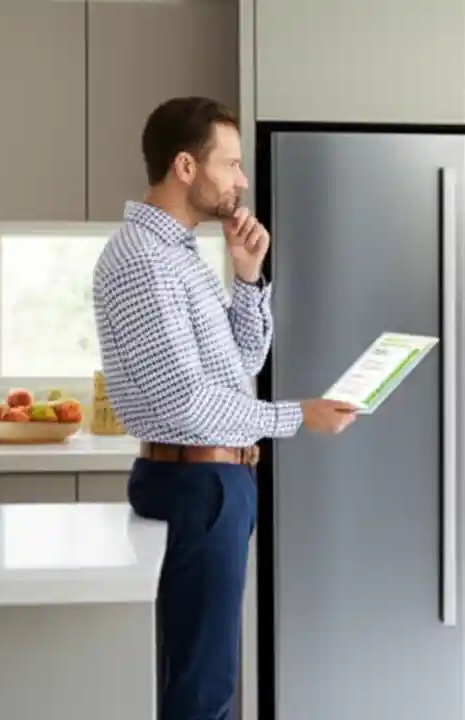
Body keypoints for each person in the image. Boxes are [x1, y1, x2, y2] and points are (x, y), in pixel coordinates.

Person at [92, 96, 357, 720]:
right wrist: (298, 416)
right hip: (194, 480)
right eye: (231, 164)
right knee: (200, 684)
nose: (241, 180)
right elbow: (187, 403)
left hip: (213, 481)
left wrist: (248, 279)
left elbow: (238, 371)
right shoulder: (144, 261)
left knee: (207, 673)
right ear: (186, 167)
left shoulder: (179, 256)